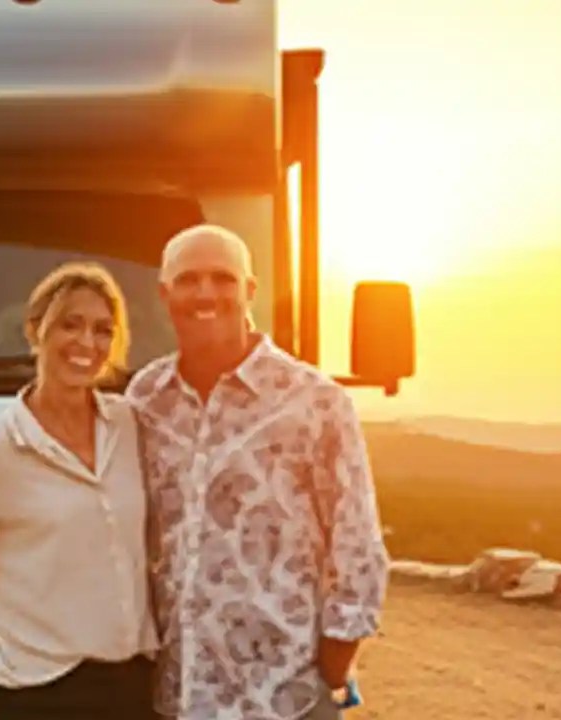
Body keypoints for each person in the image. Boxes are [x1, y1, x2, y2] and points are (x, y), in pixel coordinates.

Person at [125, 224, 390, 720]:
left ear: (249, 290)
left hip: (279, 698)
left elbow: (357, 540)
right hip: (172, 694)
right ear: (165, 294)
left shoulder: (315, 401)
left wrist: (333, 666)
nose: (205, 293)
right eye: (188, 279)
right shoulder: (145, 397)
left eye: (222, 278)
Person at [0, 261, 158, 720]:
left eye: (102, 330)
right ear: (35, 330)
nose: (86, 343)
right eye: (70, 324)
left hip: (133, 688)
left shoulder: (130, 424)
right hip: (36, 694)